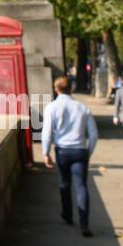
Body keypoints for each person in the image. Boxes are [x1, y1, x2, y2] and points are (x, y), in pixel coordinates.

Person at [41, 75, 99, 237]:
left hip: (62, 151)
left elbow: (46, 133)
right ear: (71, 89)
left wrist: (45, 153)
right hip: (80, 151)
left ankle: (67, 215)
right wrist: (89, 151)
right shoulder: (82, 108)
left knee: (64, 184)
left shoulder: (51, 107)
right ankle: (84, 224)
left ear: (55, 89)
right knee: (81, 186)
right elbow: (93, 134)